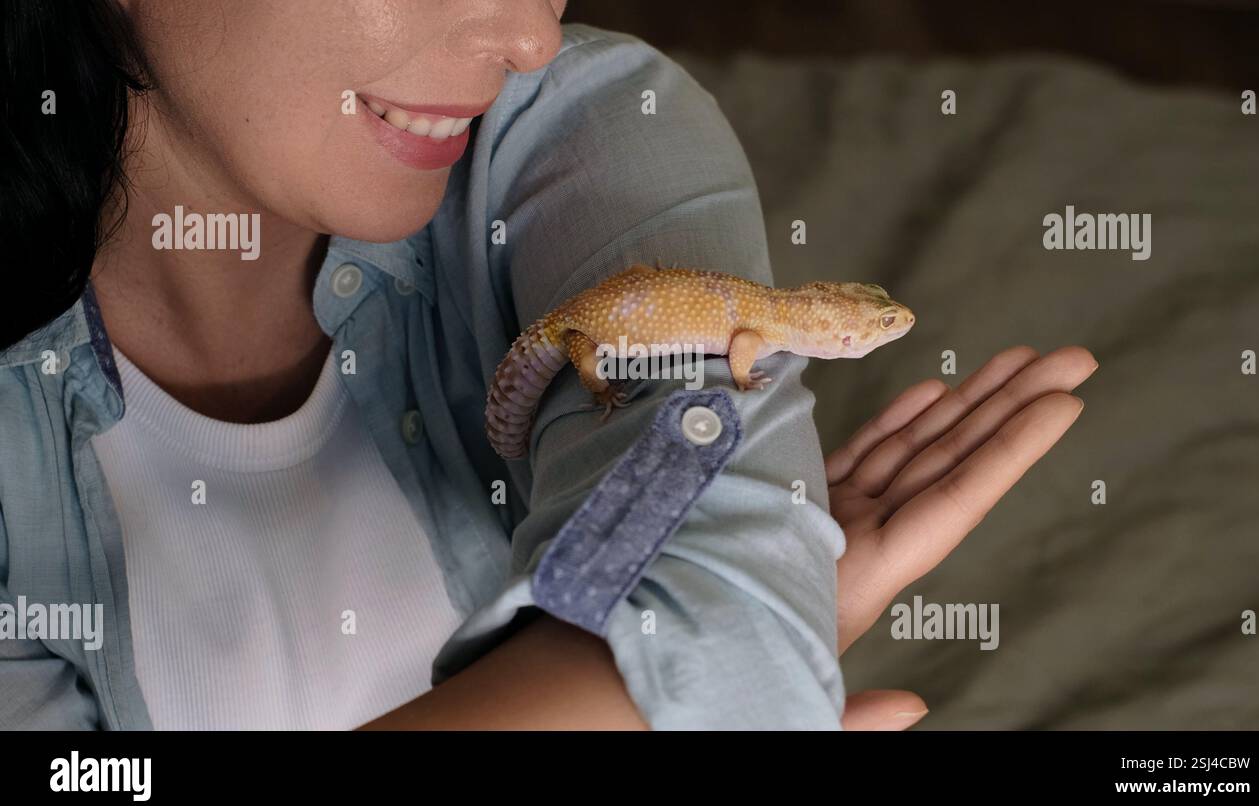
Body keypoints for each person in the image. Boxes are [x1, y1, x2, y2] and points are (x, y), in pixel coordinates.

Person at [0, 0, 1094, 730]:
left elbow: (731, 611)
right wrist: (680, 668)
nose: (527, 31)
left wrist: (696, 647)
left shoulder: (580, 119)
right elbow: (724, 629)